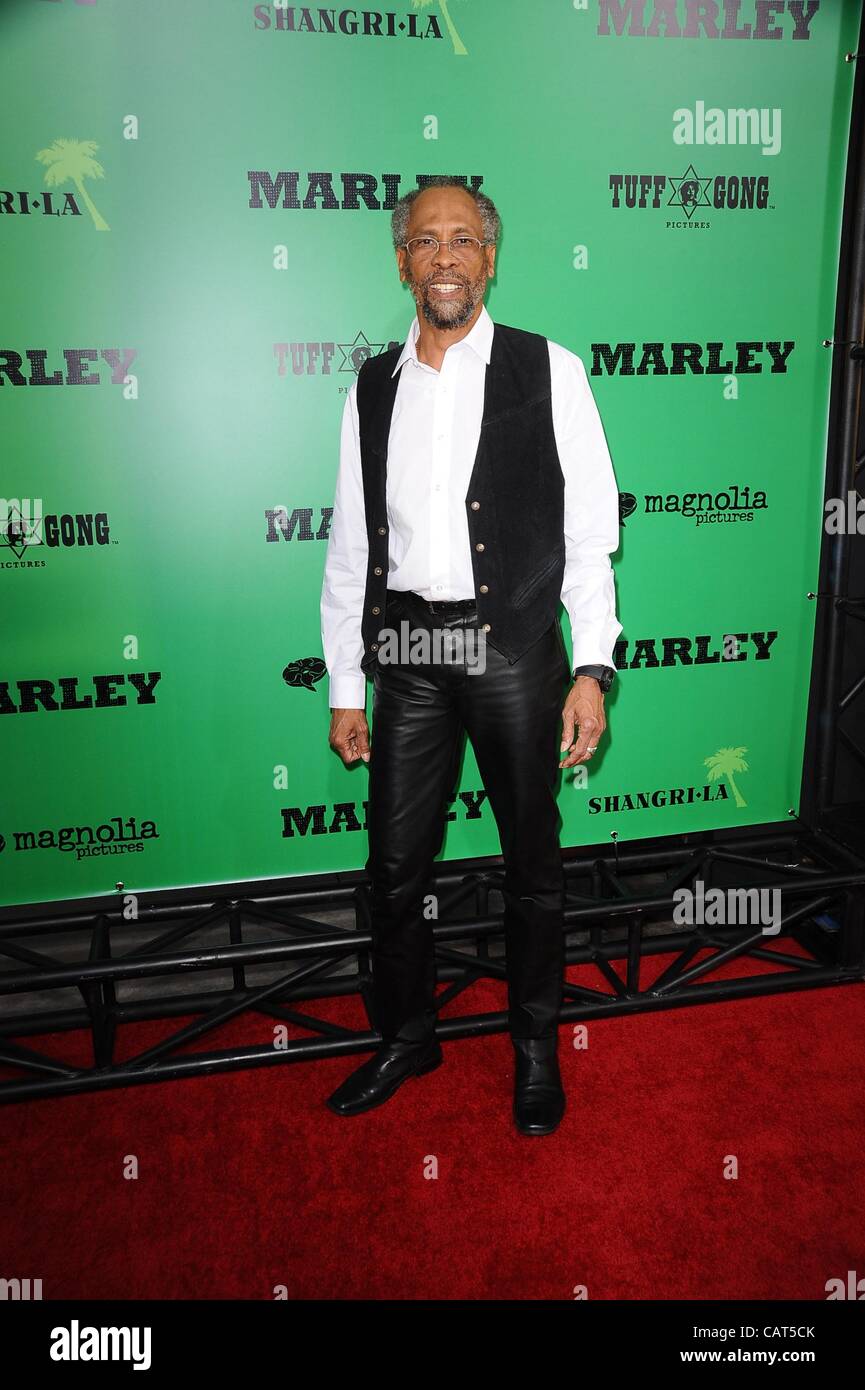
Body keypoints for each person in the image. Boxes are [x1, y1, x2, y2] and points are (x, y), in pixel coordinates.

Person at [320, 176, 622, 1136]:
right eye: (424, 239)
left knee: (532, 863)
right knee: (395, 867)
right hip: (408, 646)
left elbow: (588, 536)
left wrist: (591, 665)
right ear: (400, 258)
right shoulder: (373, 386)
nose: (444, 255)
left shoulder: (550, 369)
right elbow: (351, 545)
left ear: (489, 258)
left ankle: (535, 1046)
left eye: (462, 239)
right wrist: (343, 683)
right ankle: (408, 1035)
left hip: (512, 644)